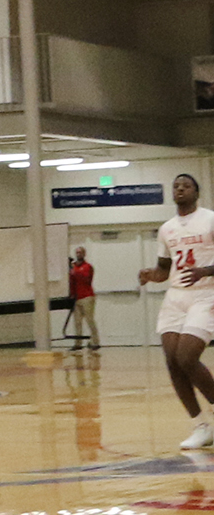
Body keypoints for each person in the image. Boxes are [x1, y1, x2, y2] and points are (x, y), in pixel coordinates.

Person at [142, 174, 214, 448]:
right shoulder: (167, 228)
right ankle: (201, 425)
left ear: (197, 191)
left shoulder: (209, 219)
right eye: (176, 185)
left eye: (186, 185)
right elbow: (164, 268)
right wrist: (151, 274)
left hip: (205, 295)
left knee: (186, 356)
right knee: (172, 361)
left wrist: (206, 271)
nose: (180, 188)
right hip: (176, 296)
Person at [70, 246, 99, 350]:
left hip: (87, 296)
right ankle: (78, 343)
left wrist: (74, 271)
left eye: (80, 252)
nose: (78, 254)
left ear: (84, 254)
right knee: (77, 322)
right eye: (77, 252)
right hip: (76, 298)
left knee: (89, 320)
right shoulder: (73, 267)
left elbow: (86, 279)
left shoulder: (88, 267)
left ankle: (95, 342)